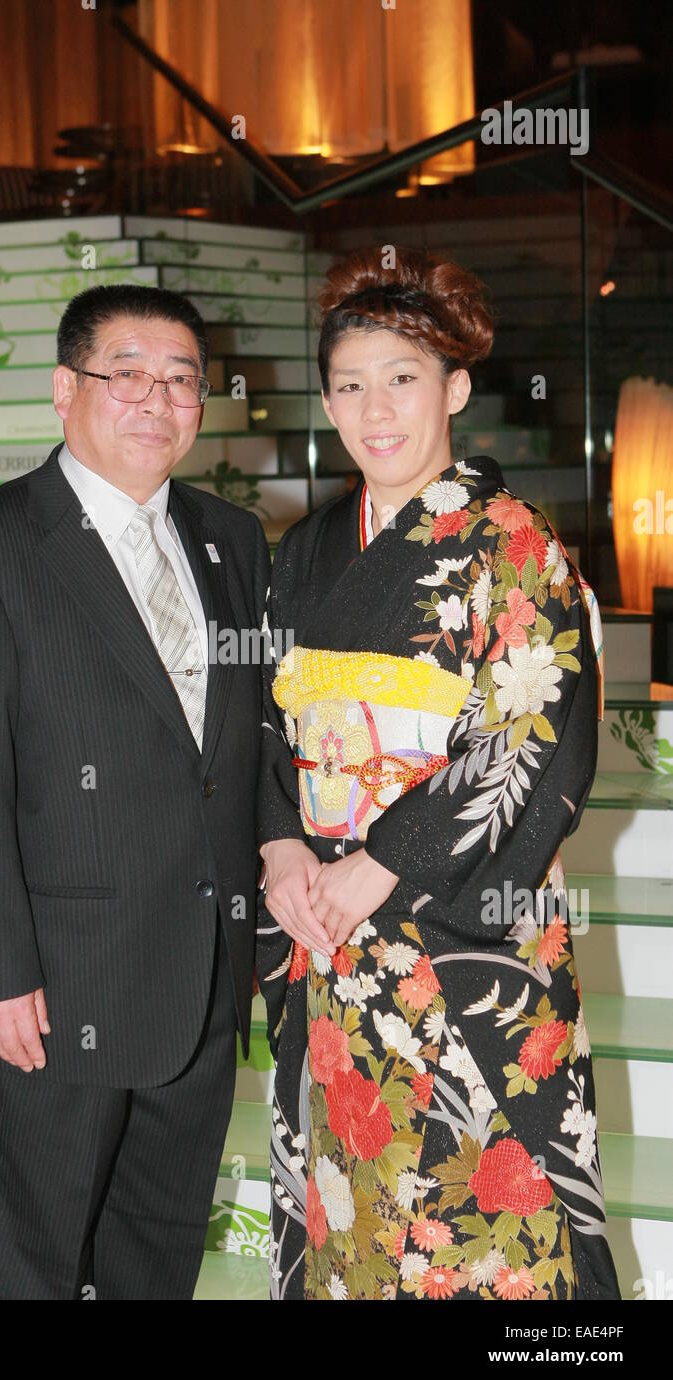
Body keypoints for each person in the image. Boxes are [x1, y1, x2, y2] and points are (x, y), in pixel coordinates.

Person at [256, 245, 621, 1301]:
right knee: (351, 1203)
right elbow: (258, 721)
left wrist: (377, 863)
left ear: (455, 388)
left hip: (462, 933)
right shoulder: (308, 550)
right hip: (328, 933)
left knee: (485, 1214)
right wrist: (281, 847)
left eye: (401, 379)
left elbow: (529, 735)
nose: (375, 410)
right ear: (325, 400)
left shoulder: (515, 547)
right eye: (350, 385)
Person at [0, 284, 270, 1299]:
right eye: (128, 373)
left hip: (198, 975)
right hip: (51, 987)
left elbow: (240, 749)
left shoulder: (229, 542)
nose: (158, 397)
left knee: (156, 1251)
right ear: (65, 390)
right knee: (33, 1262)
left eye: (181, 379)